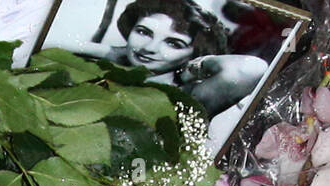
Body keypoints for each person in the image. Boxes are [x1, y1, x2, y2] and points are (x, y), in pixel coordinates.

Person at [66, 0, 267, 118]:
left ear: (194, 53)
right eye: (144, 32)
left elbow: (251, 69)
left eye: (174, 44)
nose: (150, 48)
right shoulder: (100, 69)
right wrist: (111, 52)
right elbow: (43, 39)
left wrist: (195, 67)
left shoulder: (189, 94)